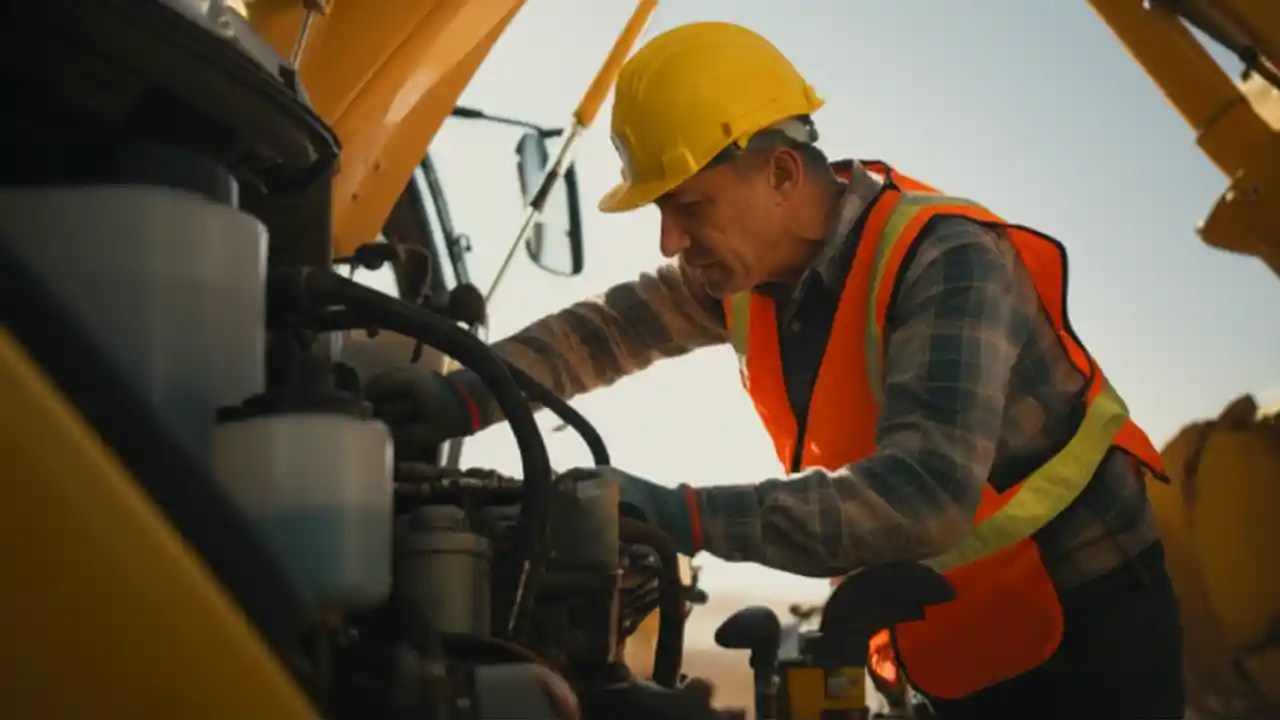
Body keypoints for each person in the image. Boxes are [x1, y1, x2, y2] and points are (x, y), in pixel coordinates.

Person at [366, 20, 1186, 718]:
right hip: (952, 625)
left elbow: (927, 496)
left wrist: (677, 514)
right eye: (663, 213)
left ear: (782, 175)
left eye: (690, 207)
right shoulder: (750, 275)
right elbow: (608, 331)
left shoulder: (948, 261)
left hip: (1088, 622)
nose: (670, 242)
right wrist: (466, 396)